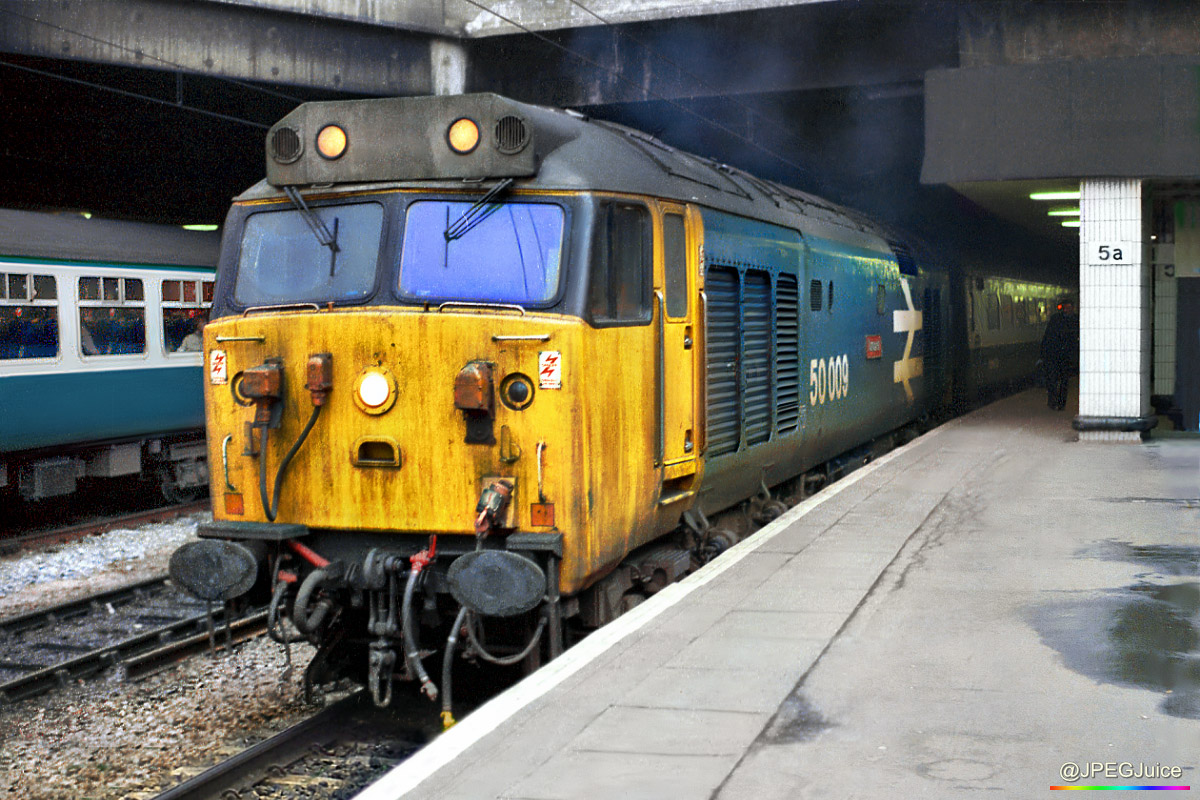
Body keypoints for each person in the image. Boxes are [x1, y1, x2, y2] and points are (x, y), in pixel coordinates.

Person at [1040, 300, 1078, 411]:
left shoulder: (1075, 320)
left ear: (1073, 308)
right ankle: (1053, 401)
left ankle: (1061, 403)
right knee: (1052, 379)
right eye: (1065, 308)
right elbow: (1048, 336)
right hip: (1053, 354)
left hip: (1065, 356)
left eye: (1069, 308)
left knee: (1063, 381)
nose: (1066, 310)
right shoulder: (1056, 319)